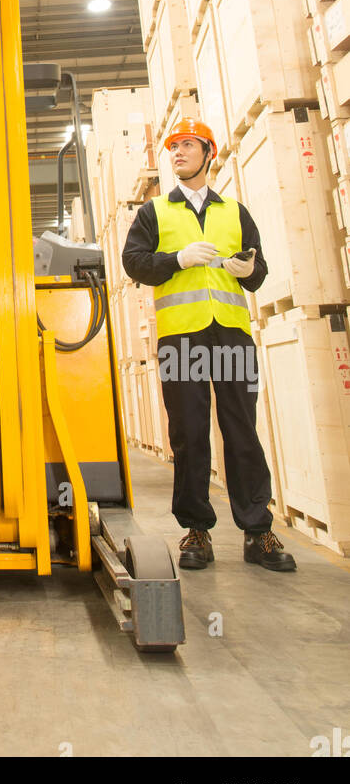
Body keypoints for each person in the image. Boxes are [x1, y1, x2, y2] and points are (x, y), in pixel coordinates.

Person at [121, 116, 296, 573]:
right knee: (190, 434)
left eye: (186, 145)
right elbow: (134, 263)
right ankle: (196, 528)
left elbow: (258, 270)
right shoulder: (154, 213)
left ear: (208, 153)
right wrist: (175, 259)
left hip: (231, 334)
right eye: (172, 147)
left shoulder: (235, 212)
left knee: (242, 430)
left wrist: (248, 272)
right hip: (182, 337)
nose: (176, 153)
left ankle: (258, 530)